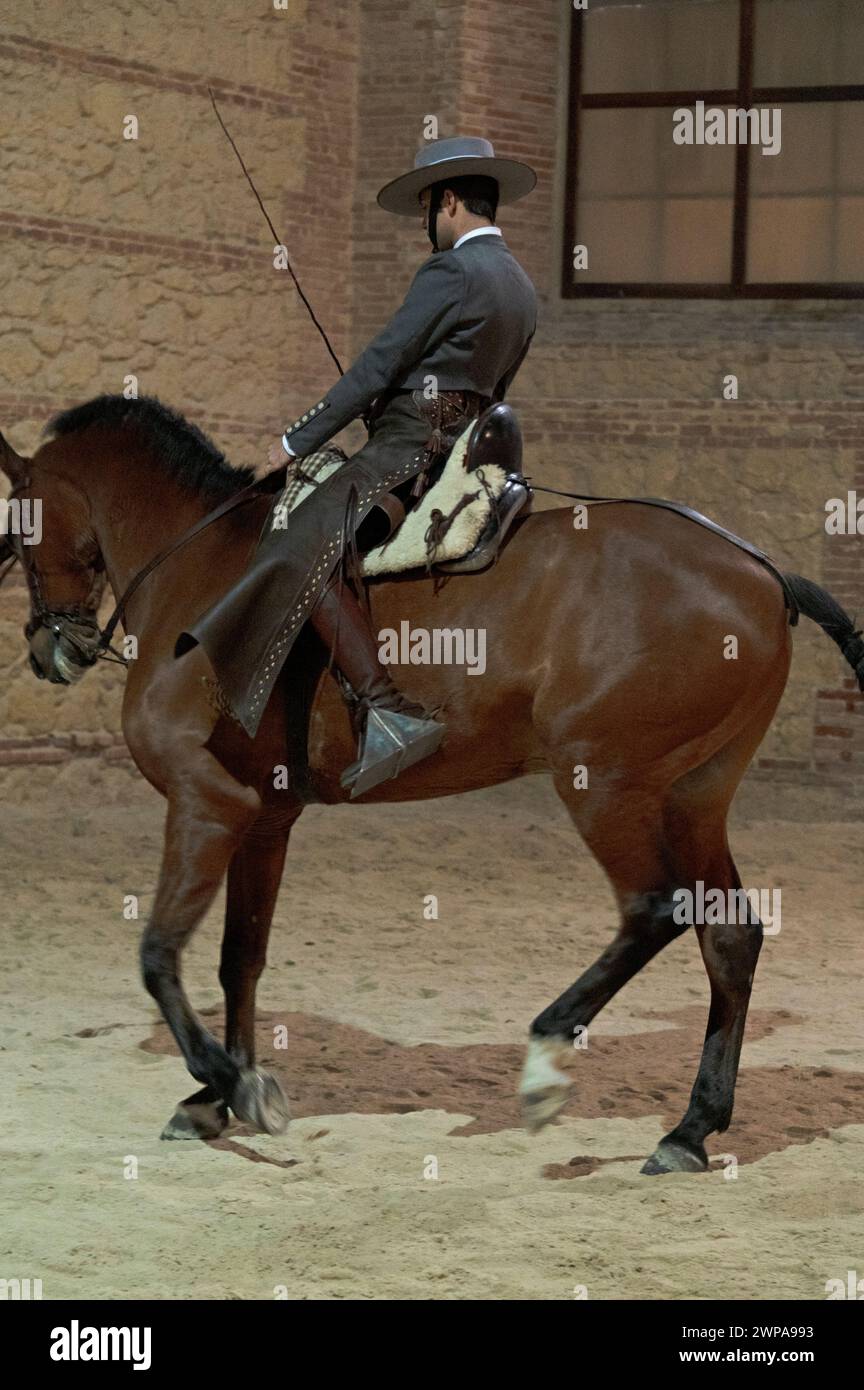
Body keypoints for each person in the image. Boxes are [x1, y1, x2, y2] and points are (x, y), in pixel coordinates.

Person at [179, 136, 538, 796]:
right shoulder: (521, 284)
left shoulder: (449, 273)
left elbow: (378, 366)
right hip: (464, 450)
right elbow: (491, 387)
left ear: (450, 202)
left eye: (429, 207)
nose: (428, 223)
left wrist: (294, 442)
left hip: (406, 450)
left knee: (299, 541)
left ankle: (384, 709)